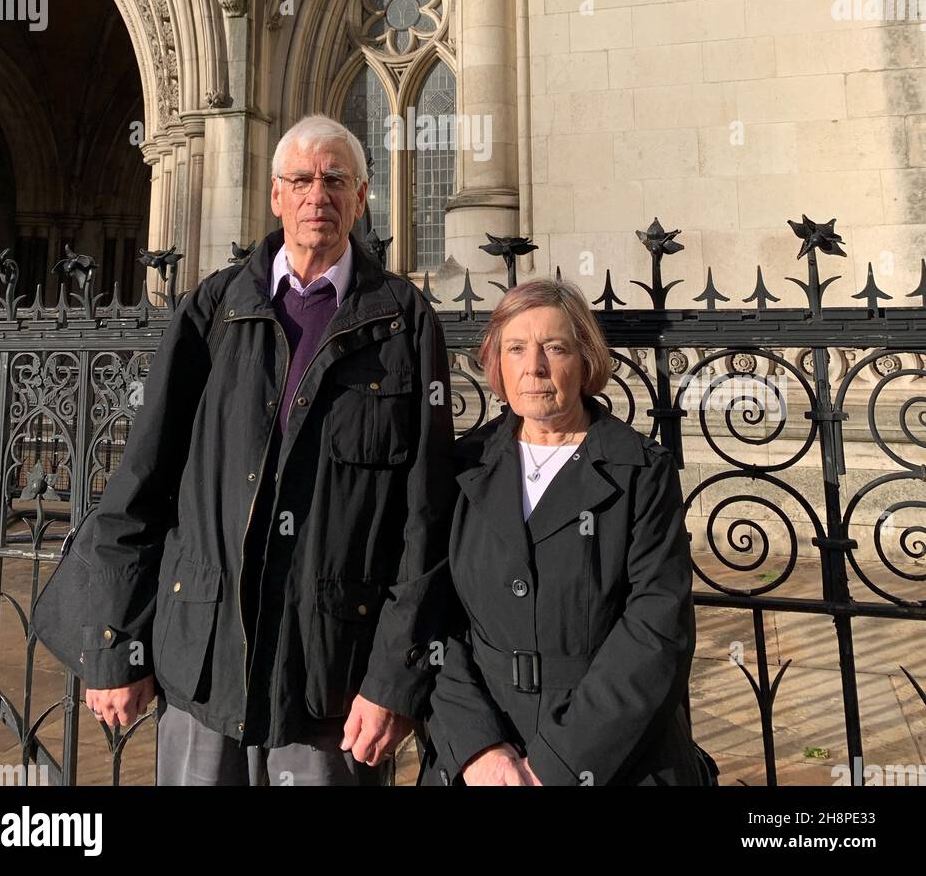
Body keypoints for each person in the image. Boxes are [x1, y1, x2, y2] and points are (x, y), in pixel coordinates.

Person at [81, 113, 456, 785]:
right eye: (302, 179)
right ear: (275, 195)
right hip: (203, 658)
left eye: (336, 179)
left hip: (332, 678)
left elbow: (423, 517)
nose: (319, 194)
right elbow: (143, 478)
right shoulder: (214, 308)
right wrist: (117, 644)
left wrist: (394, 680)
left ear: (362, 196)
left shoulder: (404, 320)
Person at [419, 277, 705, 786]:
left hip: (610, 759)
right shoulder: (463, 466)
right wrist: (479, 746)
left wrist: (556, 767)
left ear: (586, 359)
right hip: (482, 760)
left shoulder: (640, 469)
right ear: (497, 364)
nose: (534, 367)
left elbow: (656, 629)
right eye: (516, 349)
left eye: (554, 347)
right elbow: (434, 619)